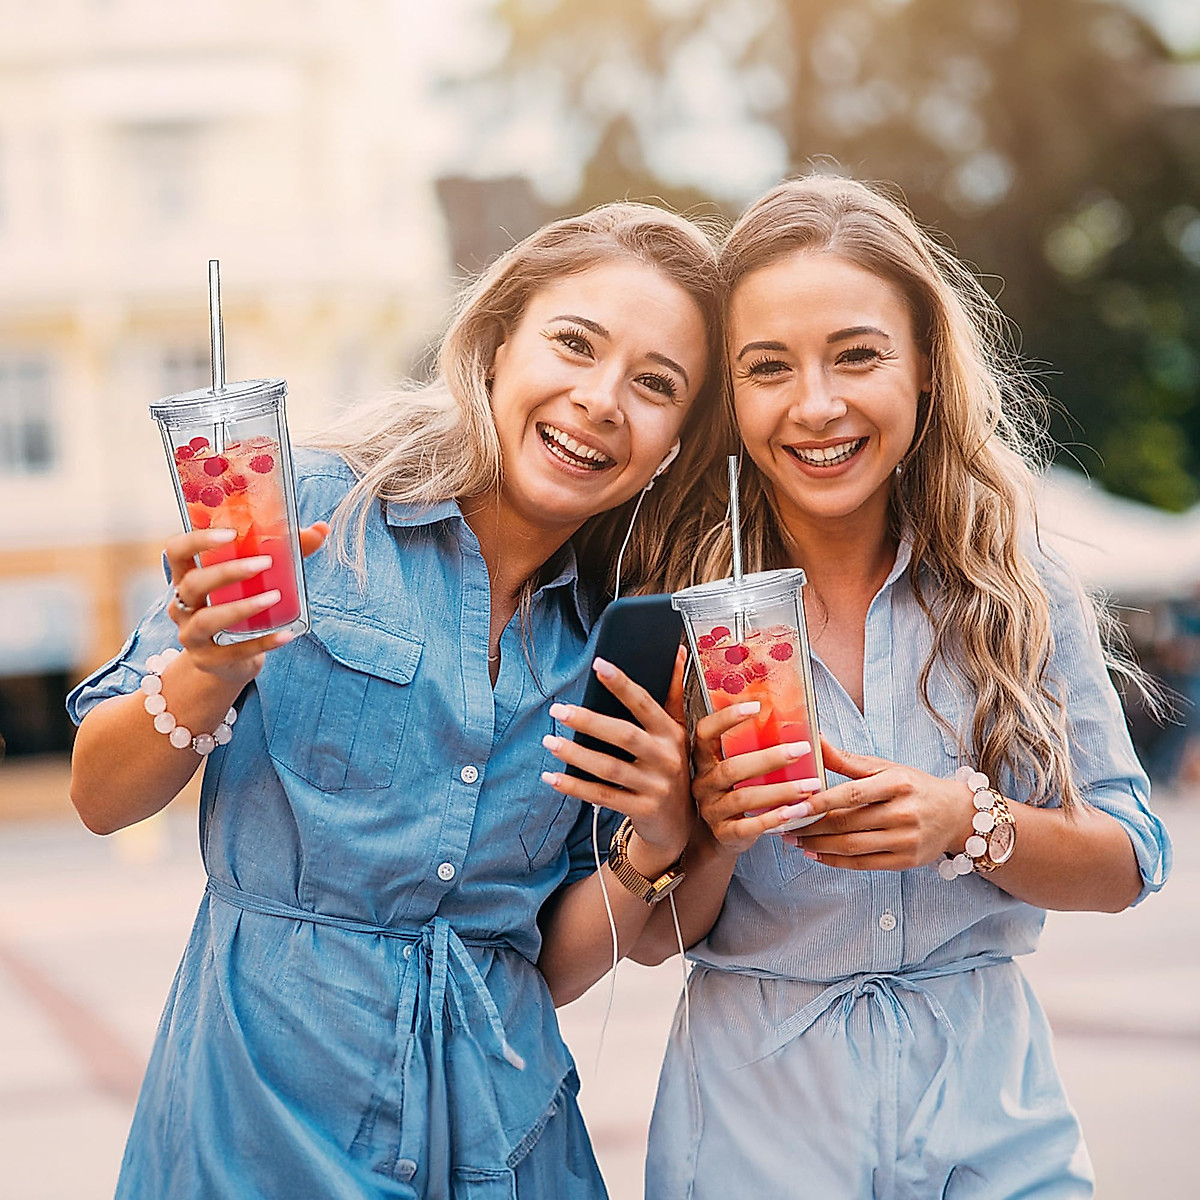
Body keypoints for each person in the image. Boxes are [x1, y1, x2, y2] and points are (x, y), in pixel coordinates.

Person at [66, 202, 722, 1199]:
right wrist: (214, 665)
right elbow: (100, 796)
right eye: (574, 345)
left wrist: (657, 844)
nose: (600, 400)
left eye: (654, 385)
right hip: (260, 1133)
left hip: (509, 1148)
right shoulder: (321, 507)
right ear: (498, 346)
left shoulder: (620, 635)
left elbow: (542, 968)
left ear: (674, 441)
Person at [635, 175, 1173, 1199]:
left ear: (923, 365)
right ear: (730, 395)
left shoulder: (1012, 582)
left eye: (857, 355)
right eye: (768, 367)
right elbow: (655, 938)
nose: (817, 405)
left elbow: (1132, 856)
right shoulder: (679, 605)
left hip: (992, 1123)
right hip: (756, 1127)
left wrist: (965, 822)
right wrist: (704, 828)